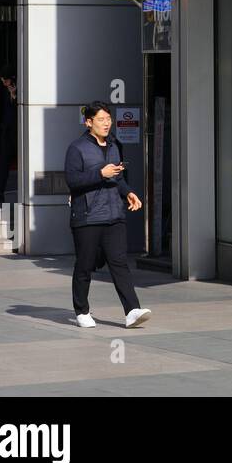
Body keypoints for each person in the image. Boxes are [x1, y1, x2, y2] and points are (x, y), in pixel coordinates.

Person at [64, 101, 151, 328]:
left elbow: (118, 178)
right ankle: (81, 310)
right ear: (89, 122)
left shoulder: (114, 145)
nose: (106, 124)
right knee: (85, 264)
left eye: (108, 119)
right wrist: (100, 173)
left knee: (119, 262)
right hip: (87, 216)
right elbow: (73, 180)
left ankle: (132, 310)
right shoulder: (77, 148)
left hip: (114, 215)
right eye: (101, 120)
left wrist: (129, 193)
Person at [0, 67, 17, 204]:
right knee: (3, 164)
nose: (4, 83)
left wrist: (14, 96)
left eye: (5, 80)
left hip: (19, 132)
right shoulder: (3, 90)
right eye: (2, 81)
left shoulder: (21, 88)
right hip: (7, 132)